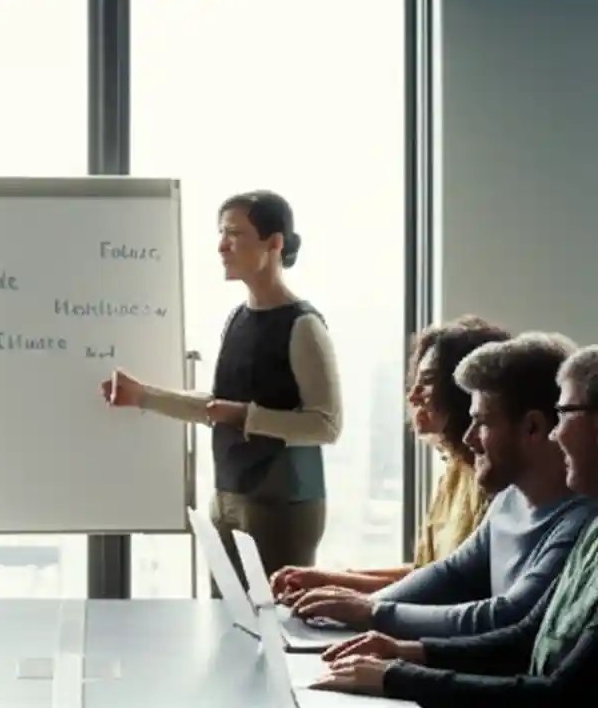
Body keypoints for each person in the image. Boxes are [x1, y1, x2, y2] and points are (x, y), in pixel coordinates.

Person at [312, 344, 598, 706]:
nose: (557, 434)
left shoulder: (582, 516)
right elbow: (524, 635)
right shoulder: (591, 530)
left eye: (566, 413)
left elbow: (560, 694)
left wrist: (398, 670)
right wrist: (404, 649)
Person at [103, 189, 342, 580]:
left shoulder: (303, 326)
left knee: (276, 624)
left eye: (234, 234)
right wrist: (142, 395)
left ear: (274, 243)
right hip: (229, 496)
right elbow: (218, 407)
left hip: (283, 501)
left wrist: (246, 416)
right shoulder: (237, 319)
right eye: (221, 233)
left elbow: (326, 425)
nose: (221, 246)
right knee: (227, 621)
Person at [269, 316, 505, 599]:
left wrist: (355, 600)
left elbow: (448, 594)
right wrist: (329, 580)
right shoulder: (453, 471)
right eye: (413, 381)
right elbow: (423, 574)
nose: (413, 395)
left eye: (427, 381)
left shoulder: (495, 482)